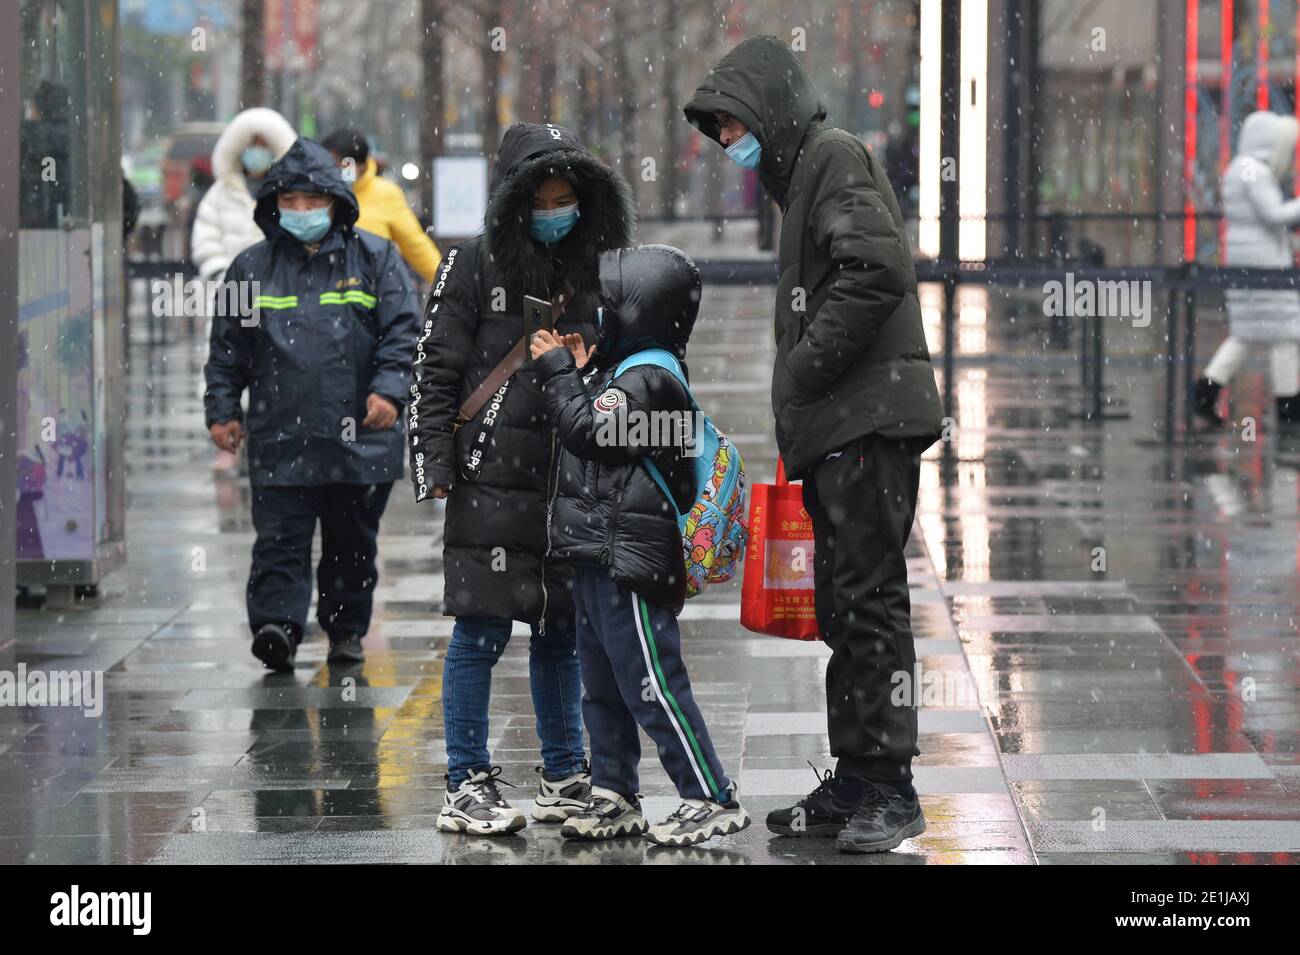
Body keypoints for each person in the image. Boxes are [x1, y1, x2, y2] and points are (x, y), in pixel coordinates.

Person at [684, 35, 944, 853]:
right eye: (720, 132)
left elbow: (877, 269)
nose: (728, 142)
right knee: (843, 601)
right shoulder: (800, 177)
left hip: (868, 421)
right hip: (842, 425)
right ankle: (860, 775)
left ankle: (892, 784)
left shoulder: (831, 157)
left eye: (733, 125)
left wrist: (803, 366)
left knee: (870, 600)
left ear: (767, 110)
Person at [406, 122, 634, 835]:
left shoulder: (598, 267)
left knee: (559, 630)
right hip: (490, 479)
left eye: (567, 199)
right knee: (479, 628)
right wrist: (434, 462)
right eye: (542, 200)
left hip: (570, 478)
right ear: (514, 200)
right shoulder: (471, 265)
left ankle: (565, 773)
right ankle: (466, 781)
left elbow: (626, 361)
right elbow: (435, 367)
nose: (555, 212)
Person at [531, 244, 751, 847]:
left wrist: (558, 371)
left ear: (638, 309)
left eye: (607, 305)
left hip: (630, 556)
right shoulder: (627, 372)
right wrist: (581, 371)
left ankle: (709, 794)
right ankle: (615, 792)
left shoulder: (651, 376)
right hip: (598, 553)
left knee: (651, 683)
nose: (596, 316)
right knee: (602, 686)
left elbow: (590, 432)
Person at [204, 137, 419, 671]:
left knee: (352, 544)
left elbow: (403, 333)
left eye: (313, 200)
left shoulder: (376, 258)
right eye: (290, 200)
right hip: (281, 434)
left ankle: (345, 632)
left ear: (335, 202)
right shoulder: (250, 268)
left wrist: (389, 390)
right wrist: (222, 410)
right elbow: (228, 349)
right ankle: (277, 625)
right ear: (273, 205)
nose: (301, 210)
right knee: (279, 541)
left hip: (360, 437)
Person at [1193, 110, 1300, 429]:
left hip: (1244, 259)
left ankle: (1205, 391)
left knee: (1247, 333)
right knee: (1284, 334)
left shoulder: (1238, 169)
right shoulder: (1255, 172)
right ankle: (1288, 405)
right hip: (1264, 261)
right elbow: (1274, 214)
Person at [322, 128, 443, 283]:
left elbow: (416, 245)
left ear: (360, 164)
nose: (335, 171)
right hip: (324, 287)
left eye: (342, 164)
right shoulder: (319, 194)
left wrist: (446, 282)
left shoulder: (386, 193)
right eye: (330, 164)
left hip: (373, 288)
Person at [191, 107, 297, 283]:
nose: (258, 151)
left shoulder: (289, 193)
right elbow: (206, 240)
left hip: (277, 288)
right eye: (252, 144)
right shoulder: (221, 192)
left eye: (264, 145)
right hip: (229, 289)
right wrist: (223, 275)